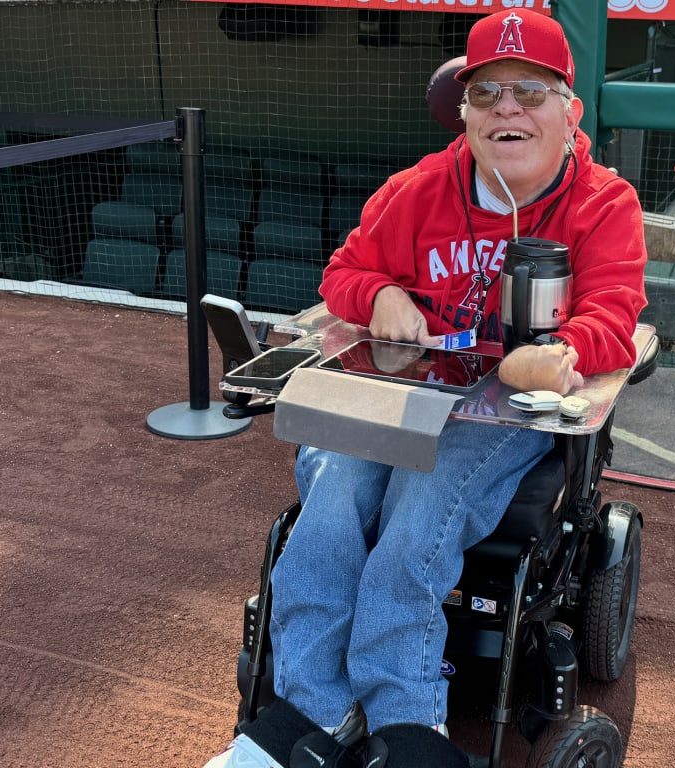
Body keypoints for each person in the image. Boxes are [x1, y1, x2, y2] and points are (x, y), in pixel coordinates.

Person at [204, 9, 647, 768]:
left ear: (570, 110)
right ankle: (313, 707)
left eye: (530, 92)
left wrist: (562, 352)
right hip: (400, 396)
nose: (507, 108)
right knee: (332, 492)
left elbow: (614, 312)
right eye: (487, 93)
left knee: (418, 513)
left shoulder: (604, 203)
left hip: (504, 419)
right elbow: (344, 273)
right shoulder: (416, 191)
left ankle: (407, 721)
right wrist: (378, 294)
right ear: (464, 111)